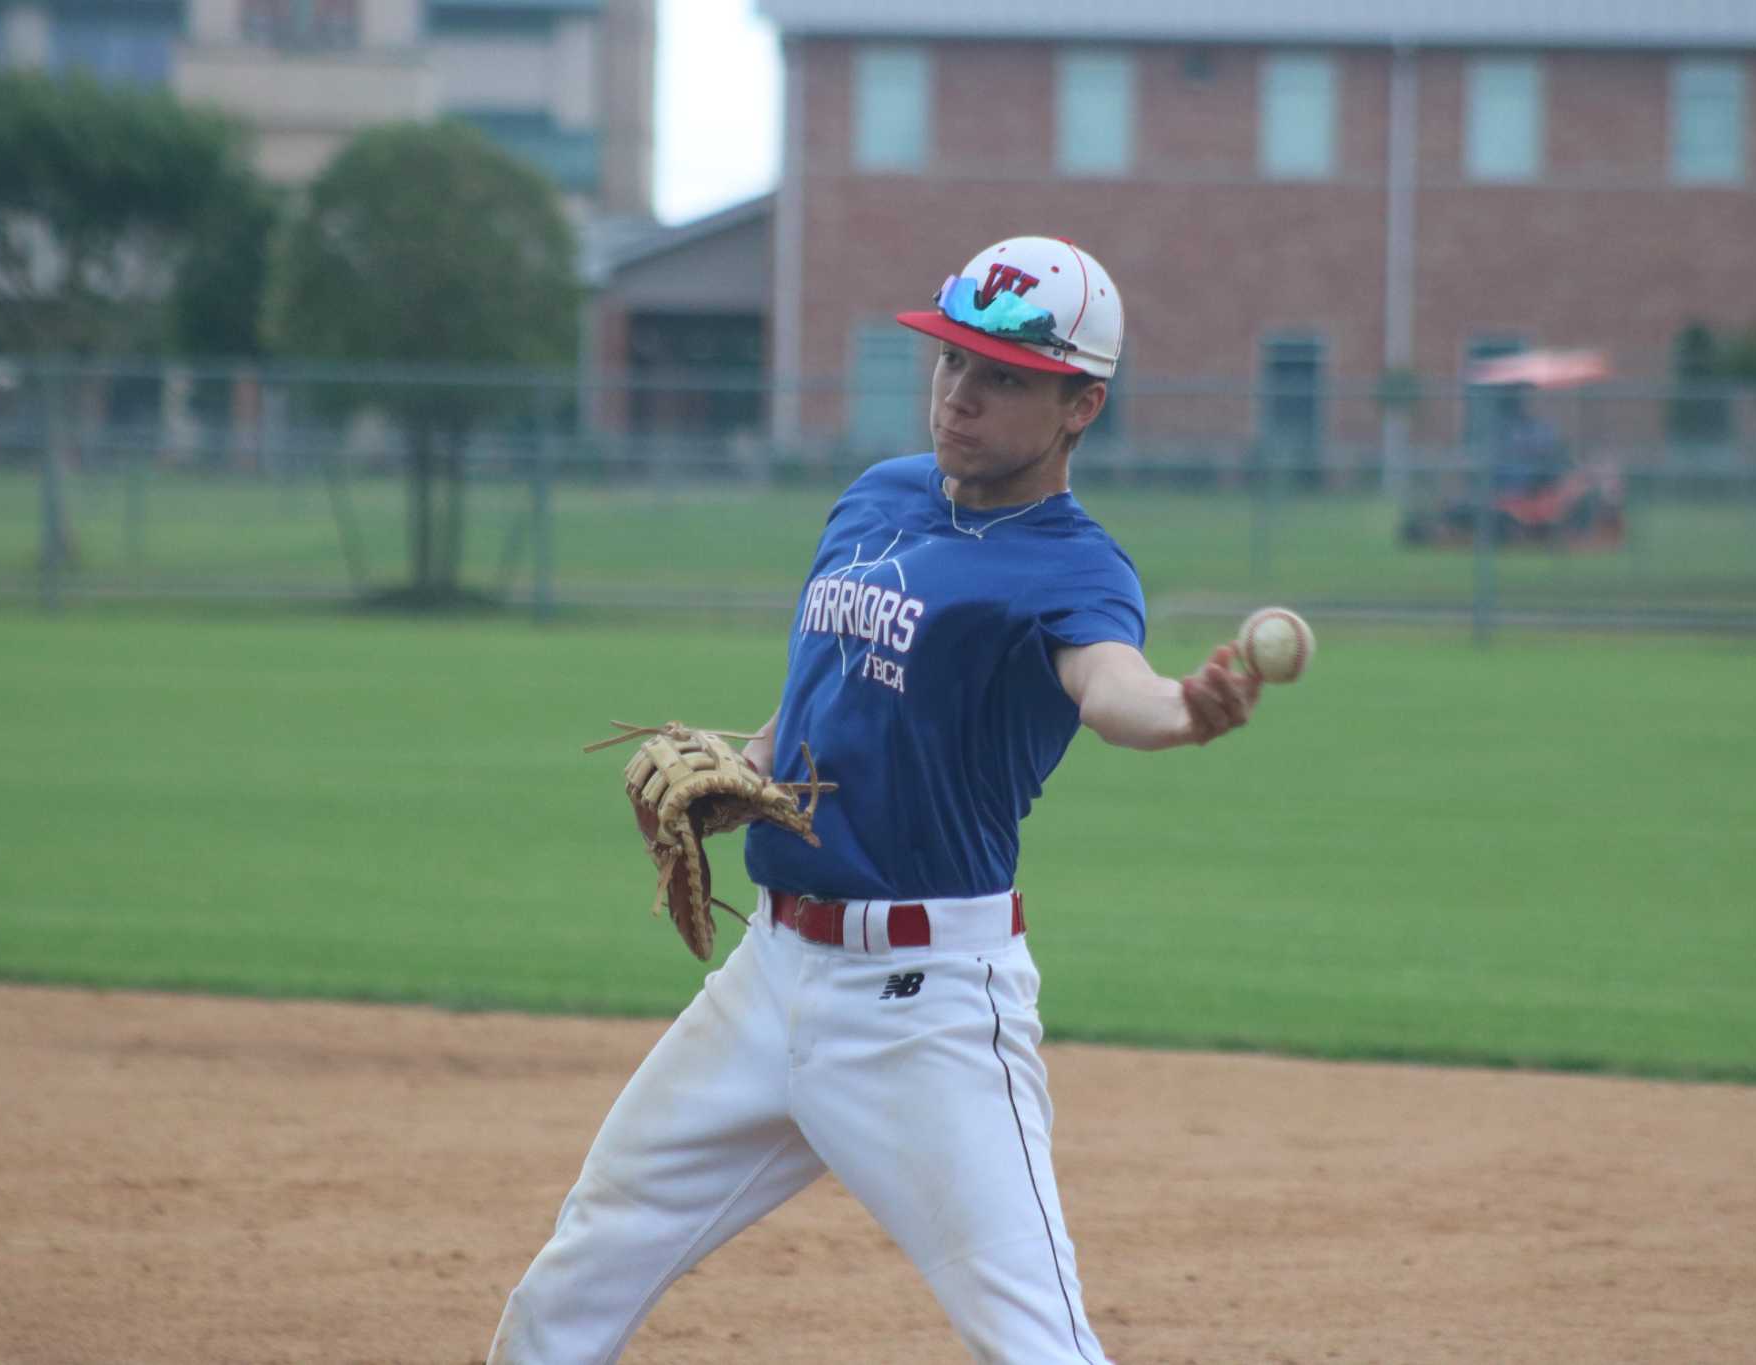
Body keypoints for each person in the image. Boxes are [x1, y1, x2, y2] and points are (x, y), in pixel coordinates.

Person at [488, 235, 1262, 1364]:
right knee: (586, 1260)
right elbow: (813, 698)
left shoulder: (1073, 566)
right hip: (768, 978)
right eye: (952, 360)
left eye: (1004, 377)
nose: (961, 396)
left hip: (925, 1007)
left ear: (1079, 404)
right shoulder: (878, 497)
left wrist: (1187, 710)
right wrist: (742, 772)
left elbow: (1114, 692)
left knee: (1032, 1337)